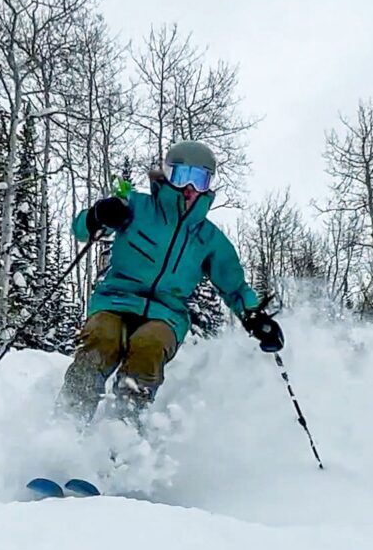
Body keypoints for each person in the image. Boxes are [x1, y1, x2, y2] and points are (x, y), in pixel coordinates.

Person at [59, 139, 284, 418]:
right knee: (101, 339)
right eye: (182, 176)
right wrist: (98, 215)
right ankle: (67, 423)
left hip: (166, 315)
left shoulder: (208, 238)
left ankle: (122, 433)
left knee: (149, 347)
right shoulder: (135, 207)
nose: (190, 188)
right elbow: (81, 229)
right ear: (167, 175)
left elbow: (234, 285)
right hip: (115, 300)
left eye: (200, 180)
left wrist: (254, 316)